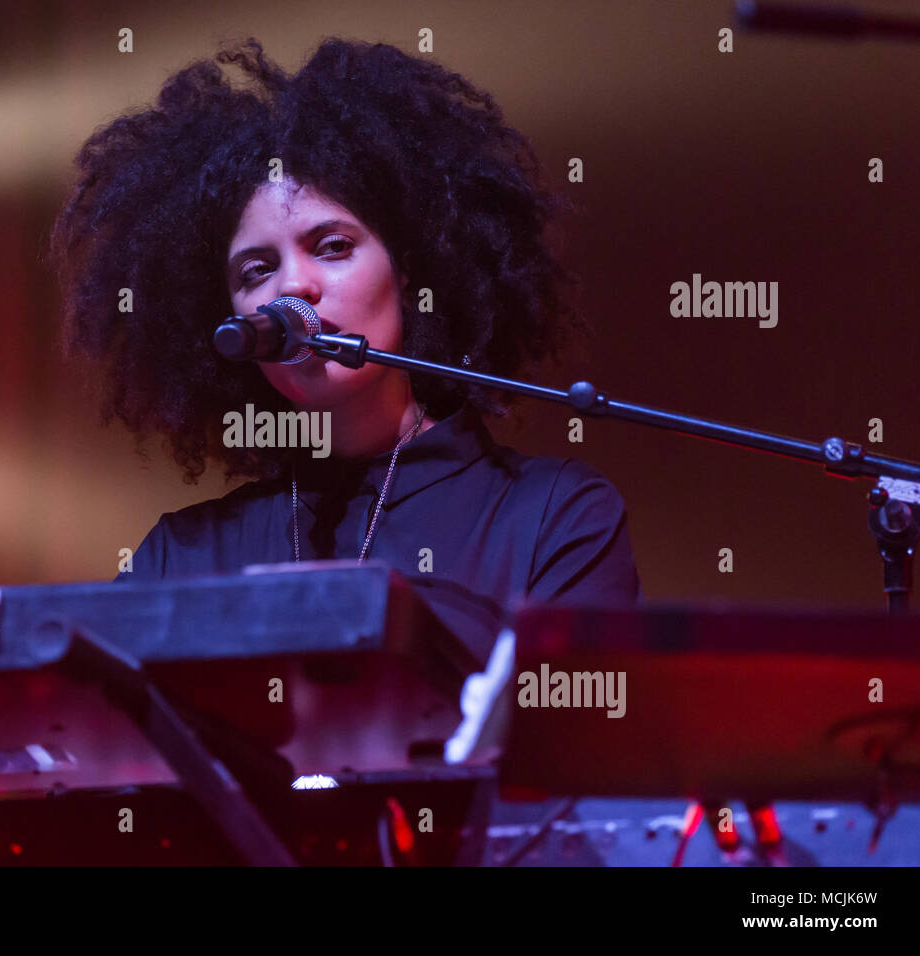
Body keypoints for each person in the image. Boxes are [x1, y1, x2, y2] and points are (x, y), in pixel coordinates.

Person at [52, 37, 641, 665]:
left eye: (332, 246)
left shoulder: (552, 516)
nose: (292, 286)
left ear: (410, 273)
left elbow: (574, 748)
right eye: (255, 270)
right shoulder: (184, 557)